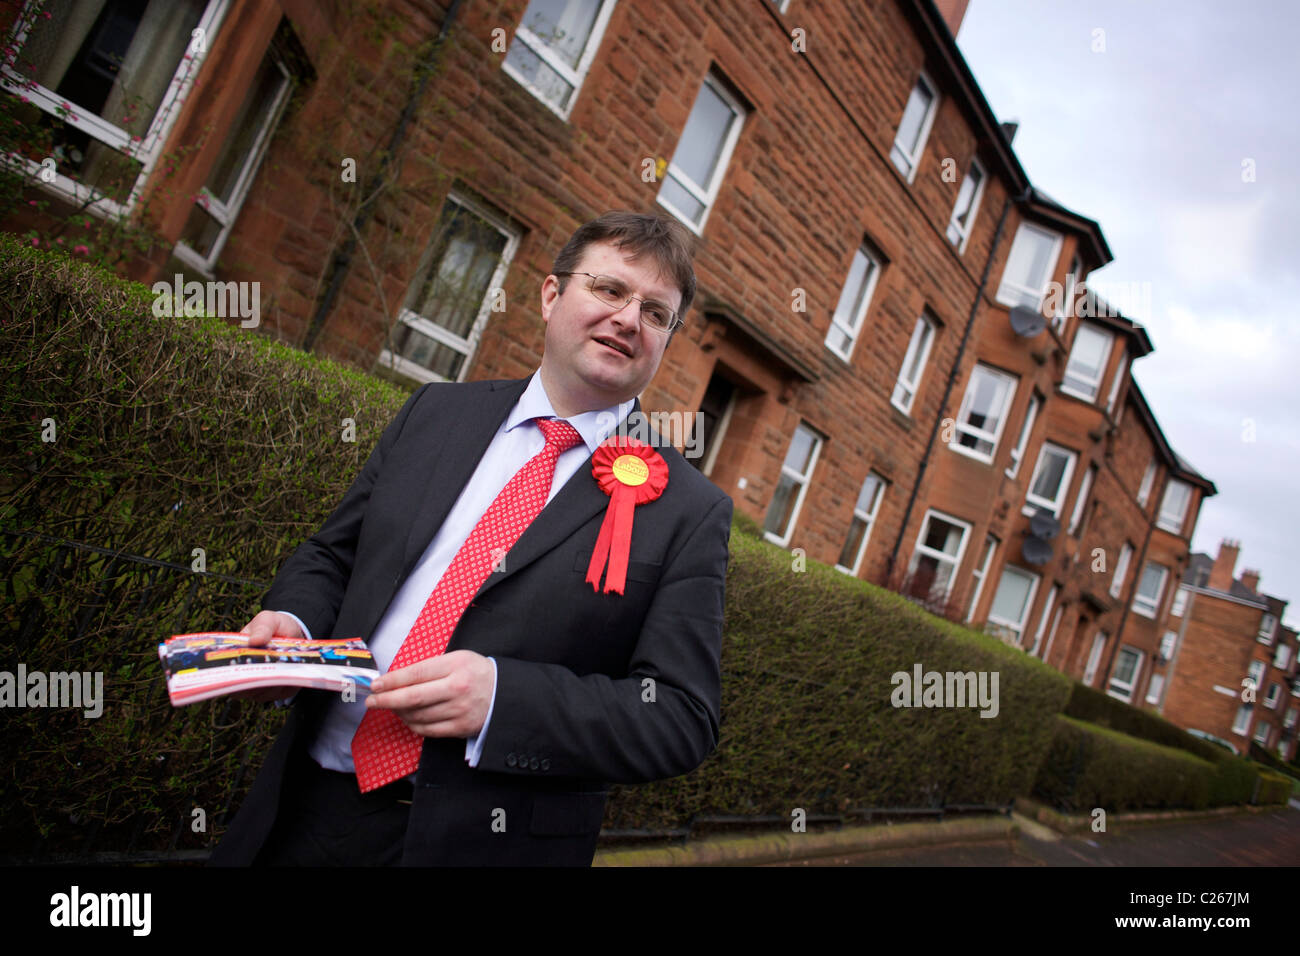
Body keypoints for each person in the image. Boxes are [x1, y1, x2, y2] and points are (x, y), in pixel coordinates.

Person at [209, 210, 733, 866]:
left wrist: (503, 701)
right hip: (305, 806)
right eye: (609, 290)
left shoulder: (691, 510)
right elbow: (335, 555)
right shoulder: (435, 412)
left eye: (657, 313)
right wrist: (293, 619)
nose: (630, 319)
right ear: (550, 295)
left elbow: (681, 717)